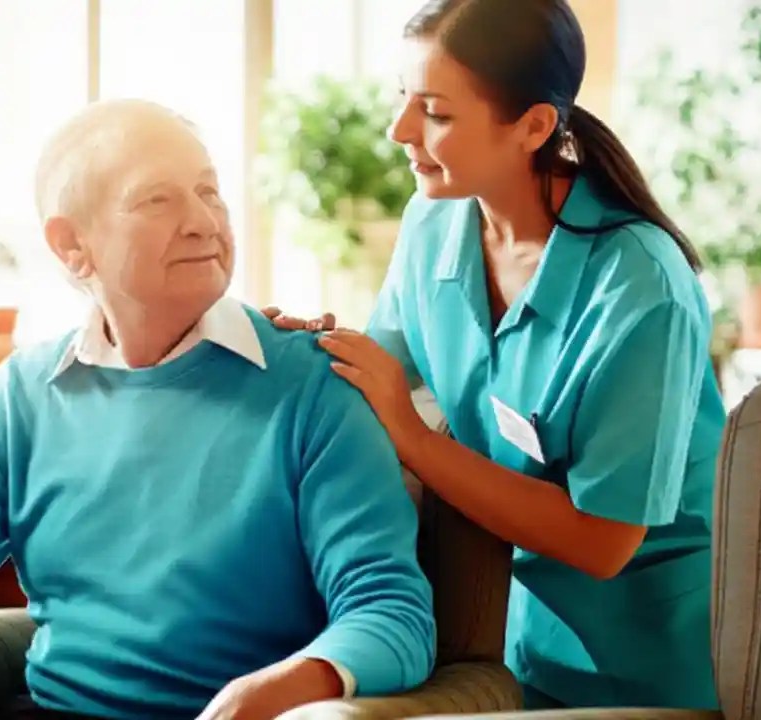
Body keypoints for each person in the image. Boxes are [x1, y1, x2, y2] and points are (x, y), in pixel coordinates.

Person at [0, 99, 435, 720]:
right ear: (72, 247)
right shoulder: (20, 394)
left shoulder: (315, 385)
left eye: (209, 191)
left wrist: (281, 690)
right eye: (157, 199)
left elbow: (390, 610)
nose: (202, 222)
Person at [266, 0, 723, 711]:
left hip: (657, 669)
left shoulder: (642, 286)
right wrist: (285, 345)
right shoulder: (436, 221)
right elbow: (376, 378)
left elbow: (604, 541)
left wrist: (414, 437)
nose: (399, 131)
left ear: (535, 126)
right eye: (402, 100)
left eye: (436, 113)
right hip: (518, 649)